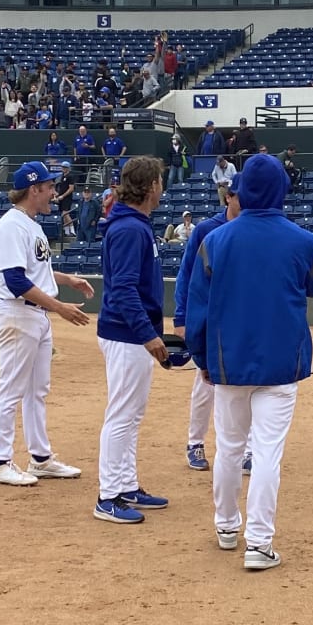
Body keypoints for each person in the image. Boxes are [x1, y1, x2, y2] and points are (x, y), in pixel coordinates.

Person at [185, 153, 313, 570]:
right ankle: (259, 543)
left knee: (229, 447)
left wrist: (200, 356)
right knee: (267, 452)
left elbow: (197, 308)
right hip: (279, 362)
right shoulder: (302, 240)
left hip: (228, 361)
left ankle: (226, 526)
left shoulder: (215, 239)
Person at [0, 161, 96, 487]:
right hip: (18, 313)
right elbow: (17, 282)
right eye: (49, 187)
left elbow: (37, 272)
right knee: (11, 389)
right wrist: (60, 307)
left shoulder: (31, 224)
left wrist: (67, 279)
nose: (53, 192)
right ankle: (0, 462)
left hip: (36, 315)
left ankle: (41, 458)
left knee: (36, 391)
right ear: (33, 189)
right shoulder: (11, 226)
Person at [93, 156, 173, 524]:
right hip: (126, 334)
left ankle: (125, 485)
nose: (162, 186)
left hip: (132, 334)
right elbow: (123, 290)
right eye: (159, 180)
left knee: (131, 413)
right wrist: (148, 335)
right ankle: (108, 495)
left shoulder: (135, 225)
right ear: (150, 186)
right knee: (122, 414)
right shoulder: (129, 229)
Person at [175, 173, 241, 472]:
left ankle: (247, 448)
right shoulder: (206, 229)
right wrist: (180, 317)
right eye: (240, 195)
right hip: (211, 319)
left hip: (242, 320)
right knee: (205, 386)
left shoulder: (254, 229)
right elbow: (187, 274)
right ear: (229, 197)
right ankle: (195, 442)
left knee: (245, 385)